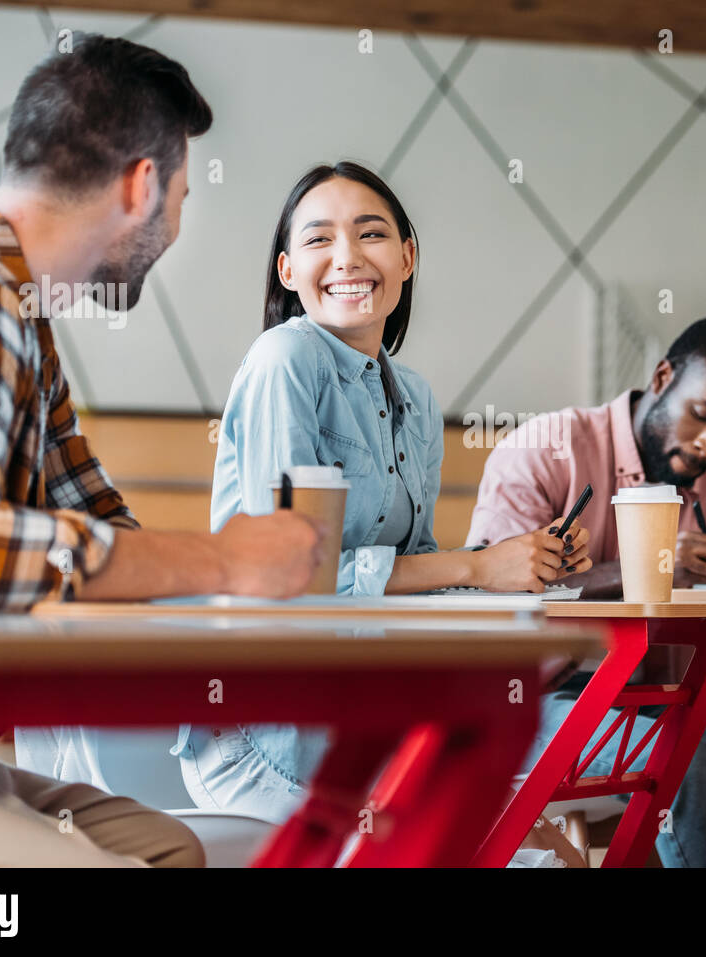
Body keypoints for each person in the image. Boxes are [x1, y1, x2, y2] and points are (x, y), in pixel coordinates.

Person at [0, 36, 325, 866]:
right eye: (182, 196)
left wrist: (236, 603)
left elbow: (103, 522)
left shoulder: (20, 321)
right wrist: (224, 562)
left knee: (170, 849)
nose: (175, 223)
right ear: (142, 185)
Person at [178, 161, 590, 822]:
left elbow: (414, 574)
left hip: (370, 719)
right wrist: (479, 566)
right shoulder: (285, 360)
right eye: (318, 239)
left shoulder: (417, 399)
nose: (346, 257)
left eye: (369, 234)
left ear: (406, 257)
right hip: (264, 738)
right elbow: (285, 575)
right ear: (287, 271)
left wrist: (516, 570)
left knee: (546, 843)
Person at [465, 317, 706, 867]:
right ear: (664, 376)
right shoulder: (547, 448)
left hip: (644, 701)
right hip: (524, 703)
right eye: (703, 414)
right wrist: (639, 568)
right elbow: (492, 591)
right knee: (677, 761)